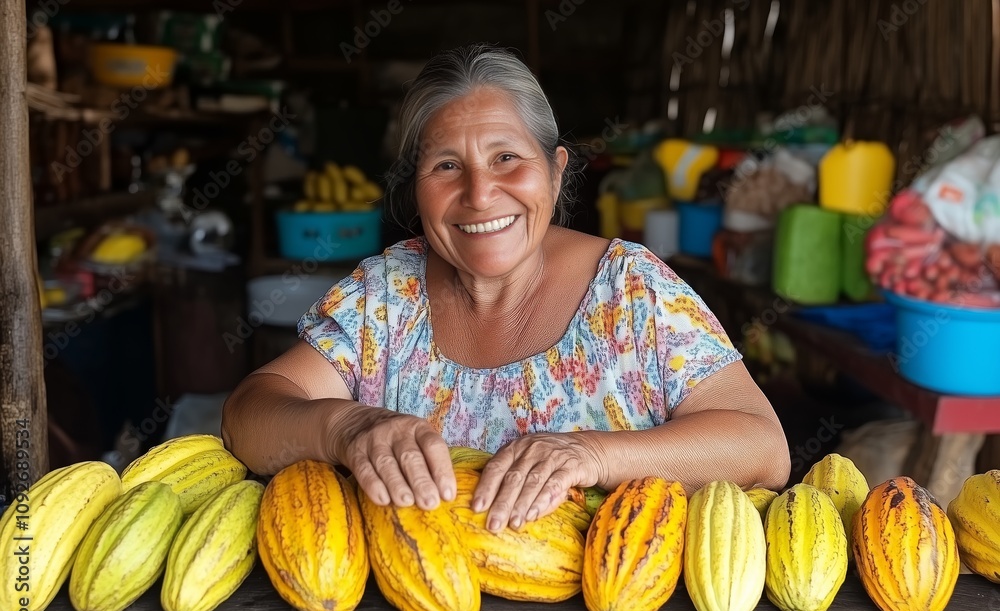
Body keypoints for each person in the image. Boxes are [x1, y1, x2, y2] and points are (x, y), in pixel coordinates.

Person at [222, 44, 790, 533]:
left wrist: (589, 453)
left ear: (556, 170)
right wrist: (345, 426)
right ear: (415, 190)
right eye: (446, 166)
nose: (479, 193)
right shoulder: (384, 299)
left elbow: (762, 448)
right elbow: (249, 415)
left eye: (507, 158)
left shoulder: (630, 292)